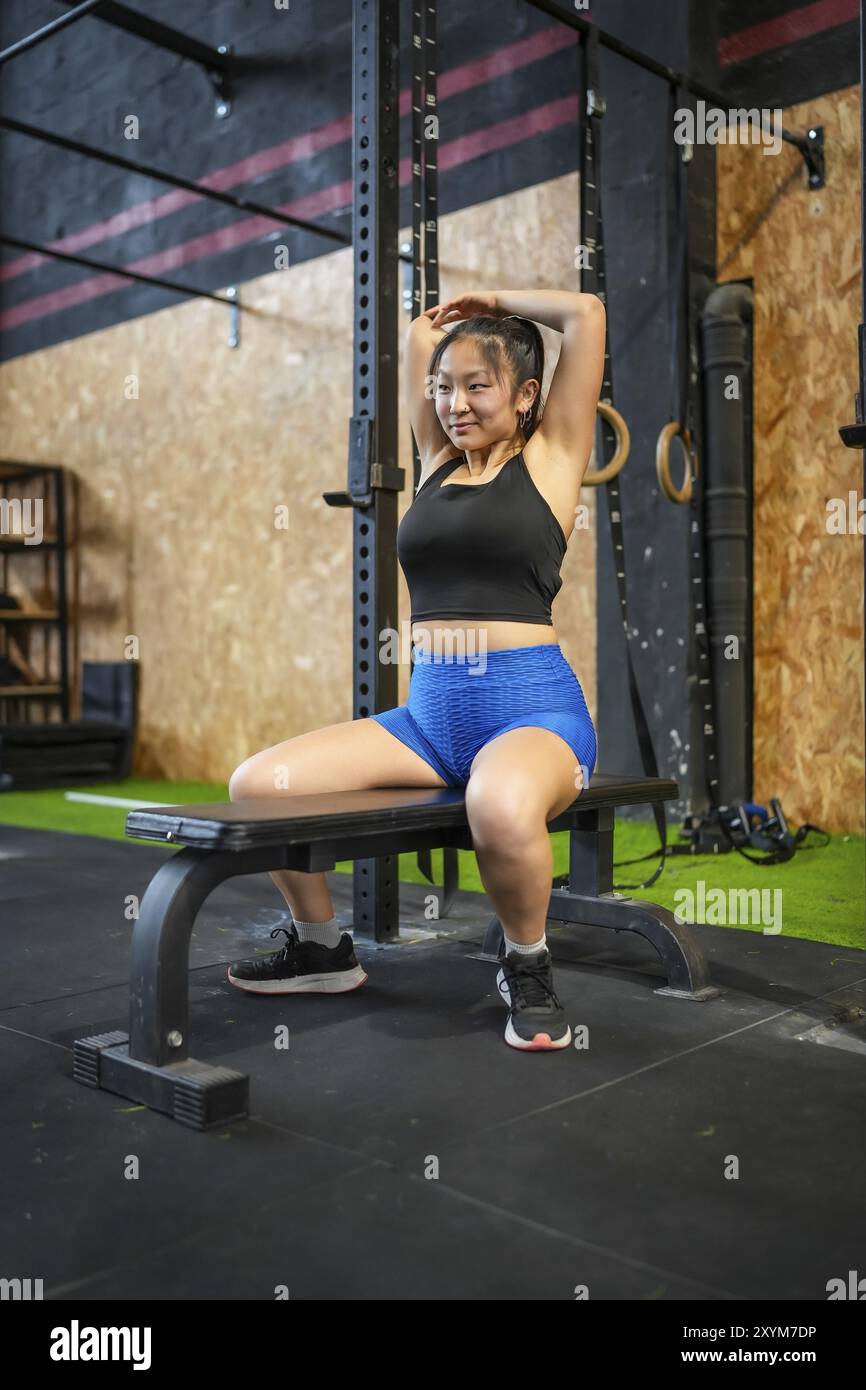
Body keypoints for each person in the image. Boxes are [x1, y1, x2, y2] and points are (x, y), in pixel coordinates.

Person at [227, 288, 606, 1051]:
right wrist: (433, 336)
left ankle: (527, 966)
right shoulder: (435, 462)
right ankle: (322, 951)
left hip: (530, 714)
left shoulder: (553, 459)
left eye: (478, 386)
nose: (455, 404)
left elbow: (586, 315)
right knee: (257, 786)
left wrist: (493, 302)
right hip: (429, 723)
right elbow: (414, 340)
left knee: (498, 804)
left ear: (526, 395)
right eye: (445, 388)